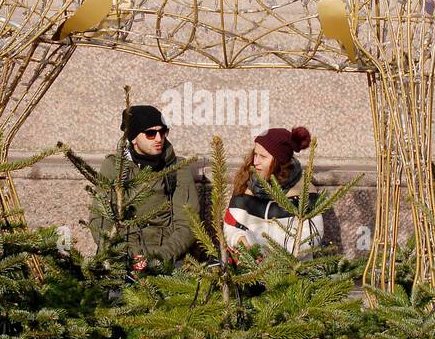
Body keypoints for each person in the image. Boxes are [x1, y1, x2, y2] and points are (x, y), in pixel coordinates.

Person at [88, 104, 199, 272]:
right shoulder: (114, 167)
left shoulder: (177, 168)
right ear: (133, 138)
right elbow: (100, 220)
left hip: (168, 257)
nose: (158, 138)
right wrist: (129, 256)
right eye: (150, 133)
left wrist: (159, 258)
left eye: (163, 132)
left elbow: (188, 223)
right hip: (123, 257)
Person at [223, 126, 322, 257]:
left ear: (279, 161)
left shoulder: (304, 191)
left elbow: (312, 237)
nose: (255, 161)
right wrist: (239, 239)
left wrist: (277, 259)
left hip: (292, 272)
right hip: (249, 270)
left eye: (263, 157)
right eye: (255, 154)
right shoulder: (246, 183)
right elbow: (231, 225)